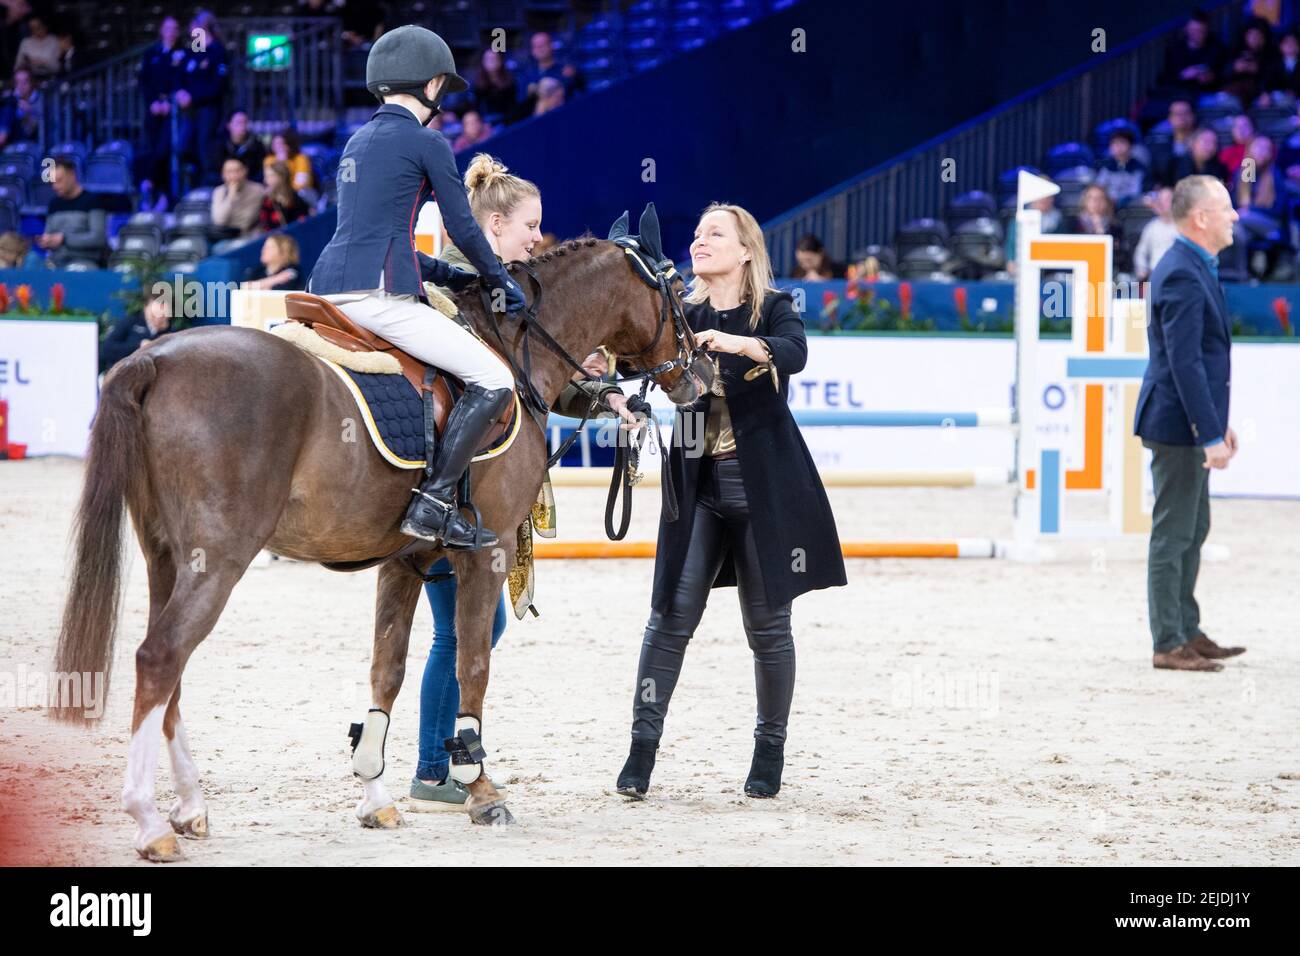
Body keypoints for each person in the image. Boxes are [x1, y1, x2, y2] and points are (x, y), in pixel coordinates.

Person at [408, 152, 640, 810]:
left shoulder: (501, 298)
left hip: (467, 493)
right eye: (531, 226)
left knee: (473, 629)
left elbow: (539, 389)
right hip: (452, 495)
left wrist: (601, 396)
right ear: (498, 223)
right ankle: (433, 769)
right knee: (464, 631)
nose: (540, 238)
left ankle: (439, 763)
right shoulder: (459, 298)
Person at [615, 203, 848, 801]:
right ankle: (641, 750)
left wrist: (740, 343)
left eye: (713, 233)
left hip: (764, 482)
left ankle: (769, 750)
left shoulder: (774, 307)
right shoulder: (681, 312)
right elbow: (629, 358)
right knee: (668, 616)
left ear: (745, 249)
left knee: (769, 628)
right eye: (695, 233)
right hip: (695, 486)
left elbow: (793, 354)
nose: (699, 241)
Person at [308, 25, 527, 549]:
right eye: (443, 93)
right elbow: (463, 227)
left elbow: (375, 233)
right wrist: (497, 277)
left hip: (325, 289)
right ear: (432, 85)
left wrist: (447, 274)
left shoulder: (357, 141)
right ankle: (432, 504)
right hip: (376, 298)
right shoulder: (427, 141)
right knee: (493, 378)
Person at [1136, 175, 1245, 672]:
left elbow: (1198, 357)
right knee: (1174, 531)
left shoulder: (1194, 265)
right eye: (1225, 208)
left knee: (1193, 526)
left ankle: (1186, 628)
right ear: (1201, 217)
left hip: (1189, 422)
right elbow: (1185, 363)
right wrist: (1208, 433)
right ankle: (1167, 641)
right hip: (1177, 424)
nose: (1235, 216)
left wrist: (1217, 426)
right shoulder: (1181, 270)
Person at [136, 17, 186, 207]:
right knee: (151, 149)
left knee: (164, 150)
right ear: (161, 31)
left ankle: (151, 185)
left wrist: (172, 100)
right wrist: (153, 102)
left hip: (175, 112)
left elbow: (185, 77)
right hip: (153, 109)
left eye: (175, 28)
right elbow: (144, 81)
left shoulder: (185, 52)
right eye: (168, 28)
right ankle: (157, 192)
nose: (172, 32)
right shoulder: (151, 53)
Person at [178, 10, 229, 190]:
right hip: (191, 110)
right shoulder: (197, 47)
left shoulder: (217, 51)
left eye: (194, 27)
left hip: (209, 108)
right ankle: (193, 182)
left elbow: (217, 86)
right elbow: (186, 73)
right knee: (184, 146)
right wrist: (181, 91)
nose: (191, 30)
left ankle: (208, 186)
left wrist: (194, 96)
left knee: (204, 147)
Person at [36, 160, 107, 267]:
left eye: (59, 181)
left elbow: (98, 238)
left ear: (72, 175)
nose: (55, 187)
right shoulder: (54, 204)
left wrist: (64, 239)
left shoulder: (93, 201)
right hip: (55, 260)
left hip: (84, 261)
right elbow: (49, 233)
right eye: (52, 182)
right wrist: (46, 241)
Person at [99, 289, 173, 373]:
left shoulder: (170, 332)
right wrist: (138, 346)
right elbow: (107, 349)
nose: (159, 316)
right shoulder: (130, 322)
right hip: (124, 374)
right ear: (146, 308)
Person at [1161, 10, 1223, 94]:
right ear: (1186, 29)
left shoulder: (1217, 48)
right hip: (1180, 93)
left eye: (1201, 31)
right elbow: (1166, 78)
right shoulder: (1175, 49)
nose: (1197, 34)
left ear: (1207, 29)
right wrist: (1183, 76)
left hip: (1210, 93)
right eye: (1194, 30)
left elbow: (1222, 72)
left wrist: (1211, 77)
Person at [1133, 187, 1180, 281]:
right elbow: (1140, 253)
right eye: (1161, 200)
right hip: (1154, 276)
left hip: (1178, 276)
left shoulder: (1184, 227)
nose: (1163, 203)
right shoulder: (1151, 227)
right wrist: (1142, 270)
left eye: (1167, 200)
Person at [211, 157, 264, 239]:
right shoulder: (219, 191)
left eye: (237, 171)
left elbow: (245, 223)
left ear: (245, 171)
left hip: (248, 236)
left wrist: (229, 222)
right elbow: (219, 221)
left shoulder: (257, 190)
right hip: (224, 236)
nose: (233, 175)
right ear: (223, 175)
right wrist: (230, 198)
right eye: (229, 172)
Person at [1150, 98, 1198, 187]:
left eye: (1185, 113)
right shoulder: (1160, 146)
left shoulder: (1202, 143)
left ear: (1193, 116)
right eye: (1177, 114)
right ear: (1169, 118)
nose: (1182, 117)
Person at [1095, 129, 1149, 206]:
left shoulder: (1139, 167)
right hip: (1107, 205)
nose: (1118, 147)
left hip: (1132, 207)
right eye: (1114, 143)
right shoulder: (1105, 166)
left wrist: (1122, 200)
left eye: (1122, 143)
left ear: (1130, 146)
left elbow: (1136, 191)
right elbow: (1099, 186)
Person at [212, 109, 267, 182]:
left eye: (245, 122)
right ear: (229, 125)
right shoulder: (219, 145)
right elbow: (213, 171)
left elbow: (261, 171)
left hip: (250, 185)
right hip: (224, 184)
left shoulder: (257, 145)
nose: (242, 126)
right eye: (238, 122)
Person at [472, 47, 519, 125]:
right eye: (488, 59)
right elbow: (476, 108)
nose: (491, 61)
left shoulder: (511, 82)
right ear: (483, 62)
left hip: (508, 122)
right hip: (486, 123)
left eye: (494, 58)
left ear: (500, 61)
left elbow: (513, 108)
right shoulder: (477, 85)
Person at [257, 160, 309, 230]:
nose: (265, 180)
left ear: (282, 177)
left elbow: (304, 221)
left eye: (270, 176)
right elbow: (265, 226)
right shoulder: (267, 201)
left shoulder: (296, 198)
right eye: (266, 176)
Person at [263, 127, 314, 193]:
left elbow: (301, 184)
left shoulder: (301, 159)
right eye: (274, 144)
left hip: (299, 194)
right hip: (277, 193)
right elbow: (269, 182)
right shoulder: (269, 160)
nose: (277, 147)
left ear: (289, 145)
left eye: (280, 144)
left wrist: (284, 163)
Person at [14, 13, 61, 80]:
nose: (35, 31)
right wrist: (27, 63)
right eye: (32, 28)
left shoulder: (54, 41)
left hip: (50, 77)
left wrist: (42, 63)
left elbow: (57, 67)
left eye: (37, 27)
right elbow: (17, 66)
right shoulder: (26, 42)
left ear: (45, 26)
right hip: (30, 79)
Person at [0, 67, 39, 146]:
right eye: (18, 82)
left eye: (25, 82)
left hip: (36, 144)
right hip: (14, 144)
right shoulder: (10, 101)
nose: (21, 86)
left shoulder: (41, 101)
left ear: (32, 83)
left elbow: (32, 130)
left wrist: (29, 112)